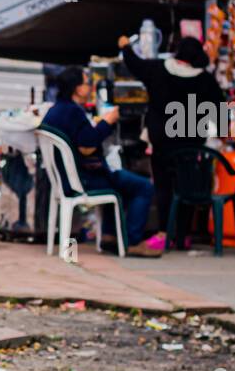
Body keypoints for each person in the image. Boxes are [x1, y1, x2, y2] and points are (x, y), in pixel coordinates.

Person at [118, 34, 226, 250]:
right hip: (192, 145)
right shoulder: (205, 80)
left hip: (163, 144)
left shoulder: (158, 69)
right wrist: (219, 135)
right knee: (186, 188)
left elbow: (134, 64)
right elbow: (221, 113)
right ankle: (182, 236)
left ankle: (163, 233)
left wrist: (126, 47)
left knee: (164, 188)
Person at [41, 66, 160, 258]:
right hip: (83, 179)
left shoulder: (56, 110)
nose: (90, 87)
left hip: (68, 178)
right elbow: (87, 146)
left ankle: (110, 235)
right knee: (143, 187)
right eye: (87, 83)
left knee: (124, 181)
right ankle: (130, 241)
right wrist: (108, 122)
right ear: (77, 88)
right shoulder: (72, 112)